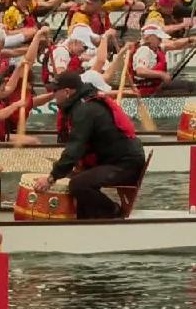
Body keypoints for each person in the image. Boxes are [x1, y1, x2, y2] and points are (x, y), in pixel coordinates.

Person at [34, 71, 146, 219]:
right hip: (113, 159)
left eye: (55, 91)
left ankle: (114, 211)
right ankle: (84, 218)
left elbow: (75, 148)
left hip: (125, 164)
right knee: (74, 176)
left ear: (67, 92)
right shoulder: (83, 103)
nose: (53, 95)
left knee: (78, 185)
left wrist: (51, 178)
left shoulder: (85, 110)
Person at [130, 21, 196, 96]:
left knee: (187, 85)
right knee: (191, 86)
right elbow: (140, 71)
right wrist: (162, 75)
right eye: (158, 37)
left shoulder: (157, 48)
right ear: (149, 37)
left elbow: (175, 45)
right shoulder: (144, 50)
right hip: (148, 90)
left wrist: (190, 39)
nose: (161, 39)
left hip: (156, 86)